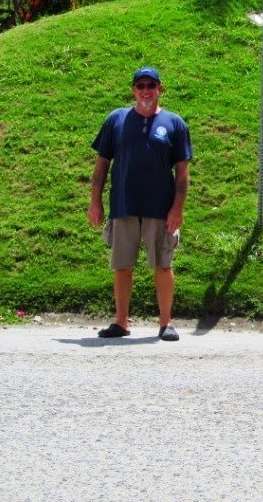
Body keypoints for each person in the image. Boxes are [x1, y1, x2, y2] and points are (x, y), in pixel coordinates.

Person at [88, 67, 193, 340]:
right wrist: (95, 202)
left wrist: (177, 208)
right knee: (122, 265)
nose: (145, 91)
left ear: (160, 88)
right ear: (133, 90)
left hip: (160, 208)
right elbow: (101, 165)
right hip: (124, 204)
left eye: (151, 85)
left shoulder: (174, 123)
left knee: (163, 264)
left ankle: (165, 323)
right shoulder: (116, 120)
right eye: (140, 85)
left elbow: (182, 173)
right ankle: (121, 322)